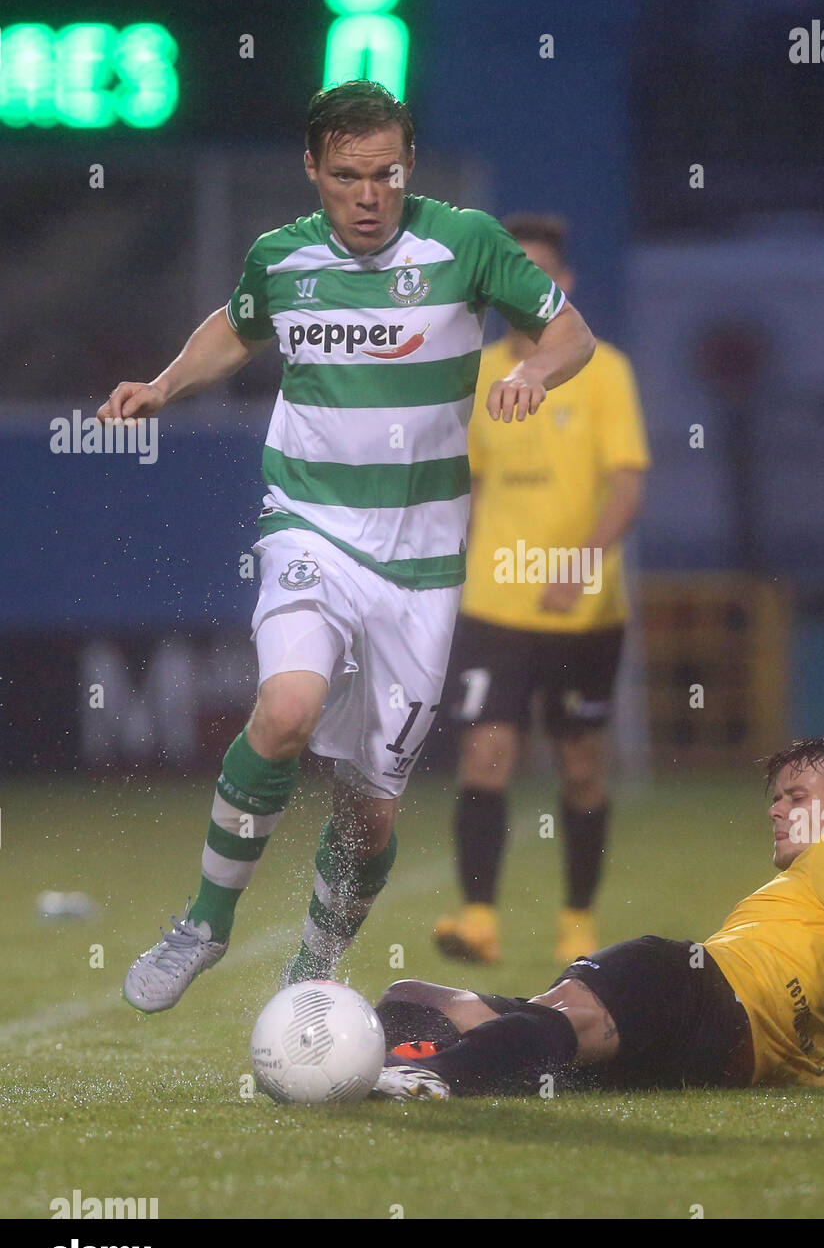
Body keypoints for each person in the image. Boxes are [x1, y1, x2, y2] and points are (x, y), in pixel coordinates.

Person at [101, 79, 595, 1013]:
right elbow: (239, 327)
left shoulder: (466, 242)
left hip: (422, 567)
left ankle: (316, 965)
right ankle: (206, 921)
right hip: (311, 525)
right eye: (346, 177)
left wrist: (533, 367)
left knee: (368, 816)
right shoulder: (282, 258)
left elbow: (571, 333)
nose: (368, 196)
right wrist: (164, 386)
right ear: (313, 171)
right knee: (286, 711)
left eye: (385, 174)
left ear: (407, 165)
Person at [370, 736, 824, 1100]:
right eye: (774, 799)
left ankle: (409, 1066)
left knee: (555, 1030)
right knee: (530, 1026)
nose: (775, 810)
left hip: (699, 1000)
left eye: (796, 796)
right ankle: (405, 1062)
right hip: (699, 1026)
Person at [434, 214, 649, 967]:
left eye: (546, 275)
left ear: (566, 286)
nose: (533, 289)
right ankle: (478, 917)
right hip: (494, 604)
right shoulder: (479, 374)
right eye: (516, 274)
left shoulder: (606, 371)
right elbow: (460, 488)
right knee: (485, 754)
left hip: (582, 611)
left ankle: (577, 923)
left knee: (582, 763)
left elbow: (626, 484)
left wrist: (581, 565)